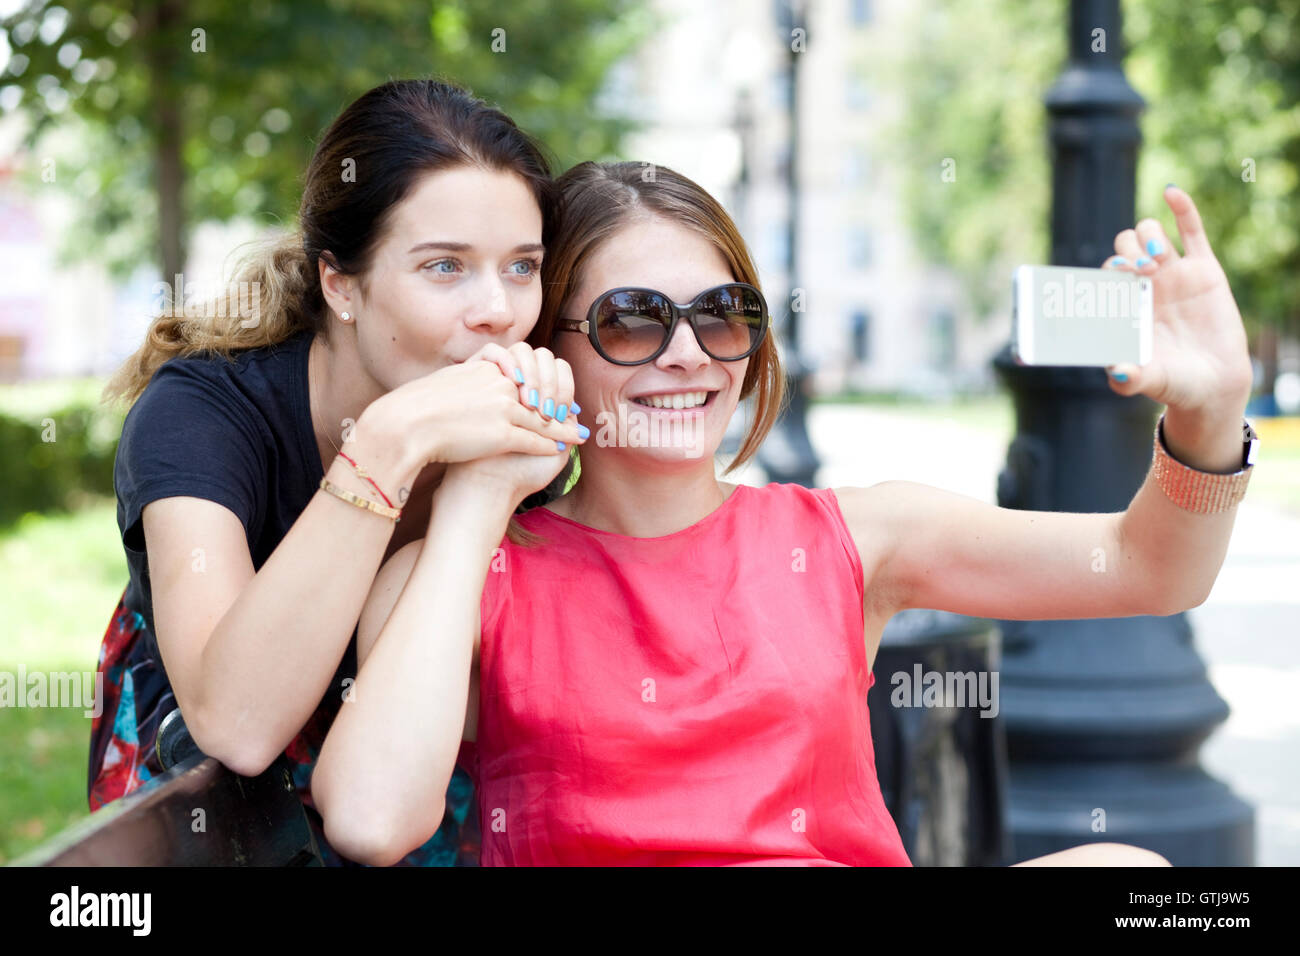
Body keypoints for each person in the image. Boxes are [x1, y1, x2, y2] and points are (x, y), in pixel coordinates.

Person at [313, 161, 1256, 866]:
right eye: (633, 320)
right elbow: (370, 820)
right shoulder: (463, 570)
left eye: (722, 316)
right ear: (548, 343)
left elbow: (1151, 568)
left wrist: (1209, 411)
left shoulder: (855, 537)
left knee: (1134, 876)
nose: (687, 354)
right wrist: (482, 494)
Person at [90, 78, 586, 866]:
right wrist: (389, 444)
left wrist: (479, 490)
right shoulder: (201, 412)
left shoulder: (513, 434)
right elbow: (238, 724)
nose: (499, 309)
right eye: (445, 267)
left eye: (521, 267)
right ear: (340, 283)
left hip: (407, 796)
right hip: (209, 814)